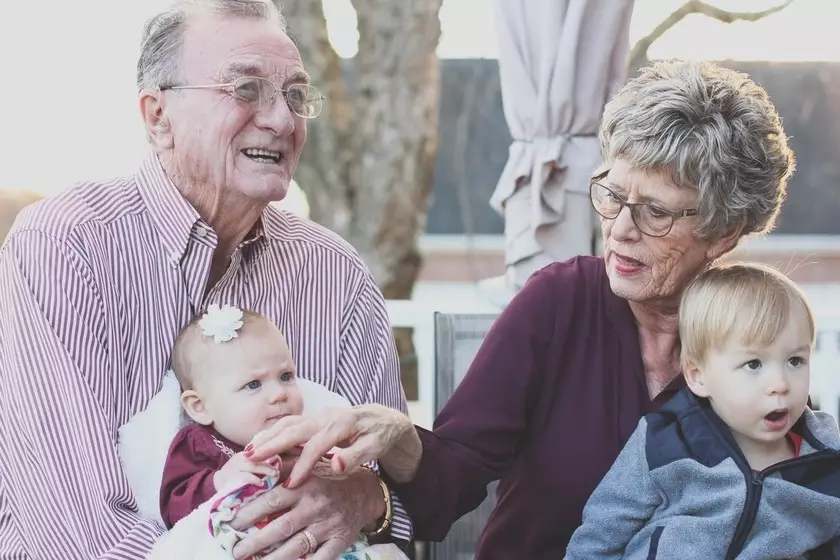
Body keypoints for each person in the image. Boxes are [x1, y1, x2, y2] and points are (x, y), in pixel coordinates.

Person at [243, 59, 799, 558]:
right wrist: (400, 435)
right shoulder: (558, 303)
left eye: (655, 212)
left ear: (723, 233)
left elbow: (795, 496)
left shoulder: (761, 336)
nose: (620, 230)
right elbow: (449, 486)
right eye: (612, 194)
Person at [0, 1, 412, 559]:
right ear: (157, 116)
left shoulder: (334, 272)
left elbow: (399, 499)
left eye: (294, 94)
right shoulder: (66, 246)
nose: (283, 120)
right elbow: (74, 530)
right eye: (245, 89)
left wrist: (367, 499)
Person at [565, 263, 840, 559]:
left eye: (795, 361)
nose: (780, 384)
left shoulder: (826, 455)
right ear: (698, 376)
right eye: (753, 365)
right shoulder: (666, 441)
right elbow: (601, 533)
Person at [158, 304, 408, 559]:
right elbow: (173, 509)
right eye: (253, 384)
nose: (280, 393)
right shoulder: (201, 443)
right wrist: (220, 480)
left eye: (286, 376)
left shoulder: (307, 437)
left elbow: (342, 496)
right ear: (200, 406)